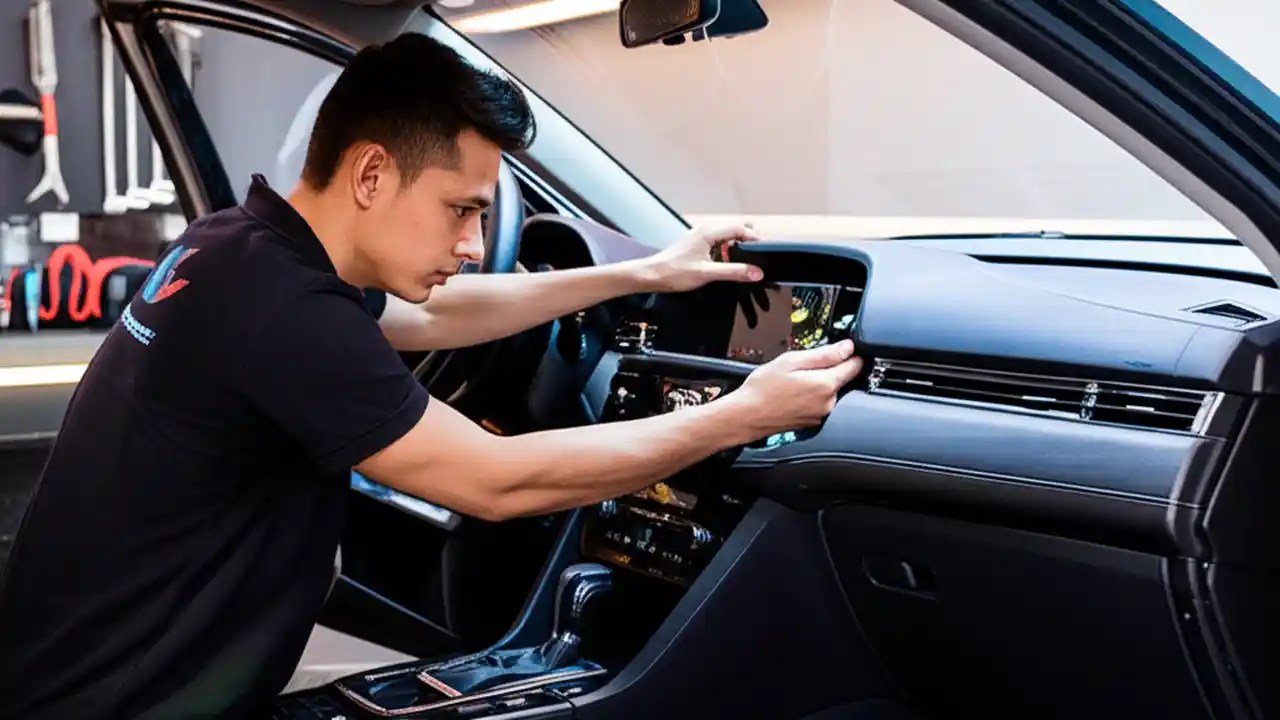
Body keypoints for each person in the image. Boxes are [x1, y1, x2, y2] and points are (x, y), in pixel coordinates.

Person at [0, 33, 863, 718]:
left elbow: (434, 316)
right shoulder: (281, 310)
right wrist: (741, 415)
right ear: (372, 173)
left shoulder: (238, 248)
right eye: (462, 210)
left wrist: (640, 274)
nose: (470, 245)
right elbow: (496, 481)